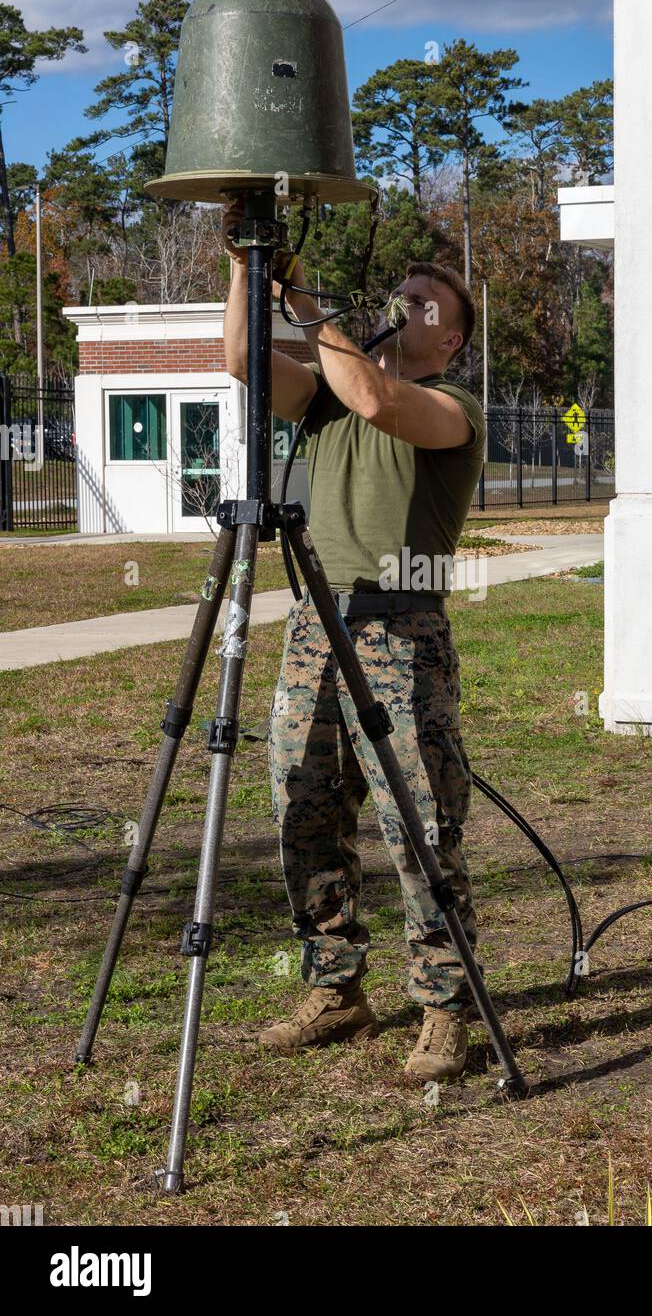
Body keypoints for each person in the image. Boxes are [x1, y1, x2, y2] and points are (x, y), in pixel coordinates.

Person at [221, 199, 485, 1081]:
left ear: (450, 340)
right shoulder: (331, 394)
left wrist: (306, 300)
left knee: (418, 823)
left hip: (400, 629)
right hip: (313, 623)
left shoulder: (450, 406)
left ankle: (444, 1006)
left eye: (426, 304)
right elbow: (240, 361)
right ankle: (337, 986)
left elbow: (374, 398)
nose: (405, 307)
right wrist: (246, 261)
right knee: (304, 809)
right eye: (400, 295)